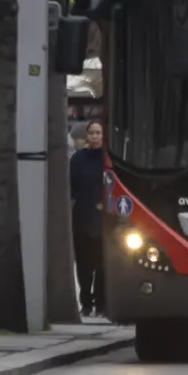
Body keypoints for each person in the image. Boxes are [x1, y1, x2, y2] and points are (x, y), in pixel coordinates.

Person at [70, 121, 107, 317]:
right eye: (91, 133)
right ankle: (86, 302)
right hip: (83, 215)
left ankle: (101, 303)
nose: (94, 136)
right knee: (84, 265)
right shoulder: (78, 159)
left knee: (101, 264)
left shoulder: (107, 159)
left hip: (103, 217)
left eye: (98, 133)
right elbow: (72, 185)